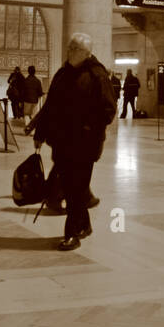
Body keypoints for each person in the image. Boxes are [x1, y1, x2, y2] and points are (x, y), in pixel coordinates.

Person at [30, 33, 116, 251]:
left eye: (74, 48)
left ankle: (71, 233)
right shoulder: (62, 73)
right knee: (71, 189)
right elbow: (50, 106)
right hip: (61, 141)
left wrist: (87, 127)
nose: (69, 50)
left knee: (75, 189)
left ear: (86, 53)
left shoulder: (97, 75)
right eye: (69, 47)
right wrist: (39, 132)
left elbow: (108, 110)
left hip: (85, 144)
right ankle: (84, 225)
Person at [22, 65, 44, 130]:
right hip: (35, 101)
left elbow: (23, 92)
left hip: (27, 100)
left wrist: (21, 101)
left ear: (28, 72)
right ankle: (32, 129)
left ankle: (28, 127)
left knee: (26, 114)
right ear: (35, 72)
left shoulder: (25, 81)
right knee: (33, 115)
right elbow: (40, 92)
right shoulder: (38, 81)